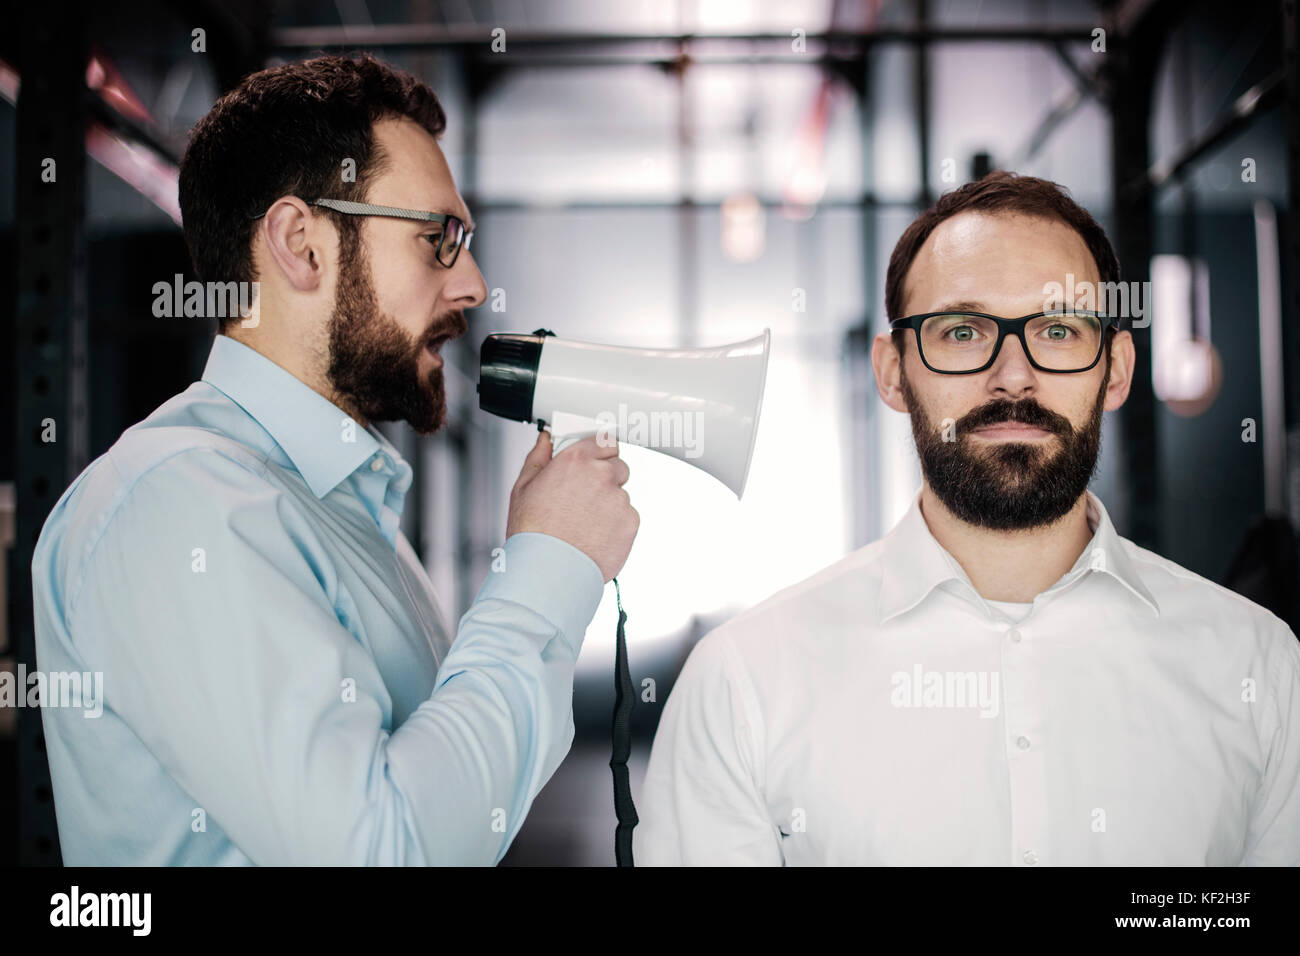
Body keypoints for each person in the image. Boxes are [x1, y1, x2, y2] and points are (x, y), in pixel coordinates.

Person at [31, 54, 639, 865]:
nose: (474, 285)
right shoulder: (175, 504)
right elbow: (379, 852)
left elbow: (457, 815)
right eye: (439, 240)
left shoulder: (349, 513)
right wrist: (546, 572)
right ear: (300, 244)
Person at [634, 171, 1300, 866]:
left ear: (1116, 370)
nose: (1013, 376)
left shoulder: (1259, 666)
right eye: (961, 331)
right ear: (893, 373)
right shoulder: (745, 684)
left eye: (1058, 329)